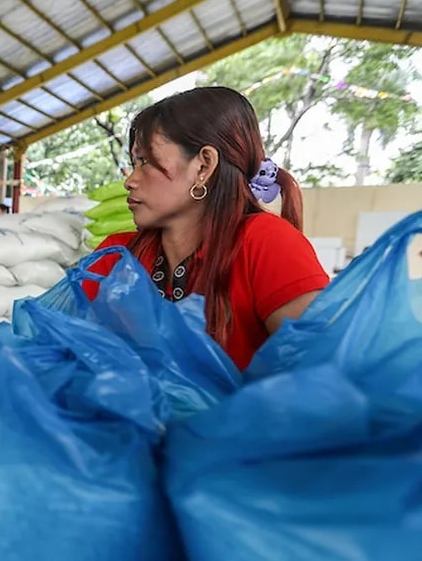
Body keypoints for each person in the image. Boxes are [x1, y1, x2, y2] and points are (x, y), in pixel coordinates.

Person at [84, 86, 329, 370]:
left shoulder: (265, 242)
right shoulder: (116, 256)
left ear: (203, 166)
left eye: (145, 162)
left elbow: (321, 376)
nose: (130, 180)